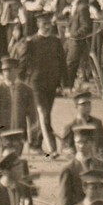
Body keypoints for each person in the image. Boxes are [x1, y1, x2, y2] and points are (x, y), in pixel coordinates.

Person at [20, 13, 68, 158]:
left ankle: (35, 143)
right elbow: (23, 63)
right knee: (43, 114)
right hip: (36, 84)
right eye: (44, 24)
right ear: (38, 24)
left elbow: (62, 63)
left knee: (44, 115)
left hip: (51, 84)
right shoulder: (31, 42)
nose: (47, 27)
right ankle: (52, 149)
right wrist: (20, 82)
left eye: (49, 24)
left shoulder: (56, 41)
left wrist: (65, 84)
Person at [0, 57, 38, 158]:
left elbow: (33, 115)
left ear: (17, 70)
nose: (6, 73)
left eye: (9, 70)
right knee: (3, 161)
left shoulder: (26, 91)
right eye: (4, 70)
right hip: (2, 136)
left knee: (16, 161)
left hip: (19, 135)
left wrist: (33, 136)